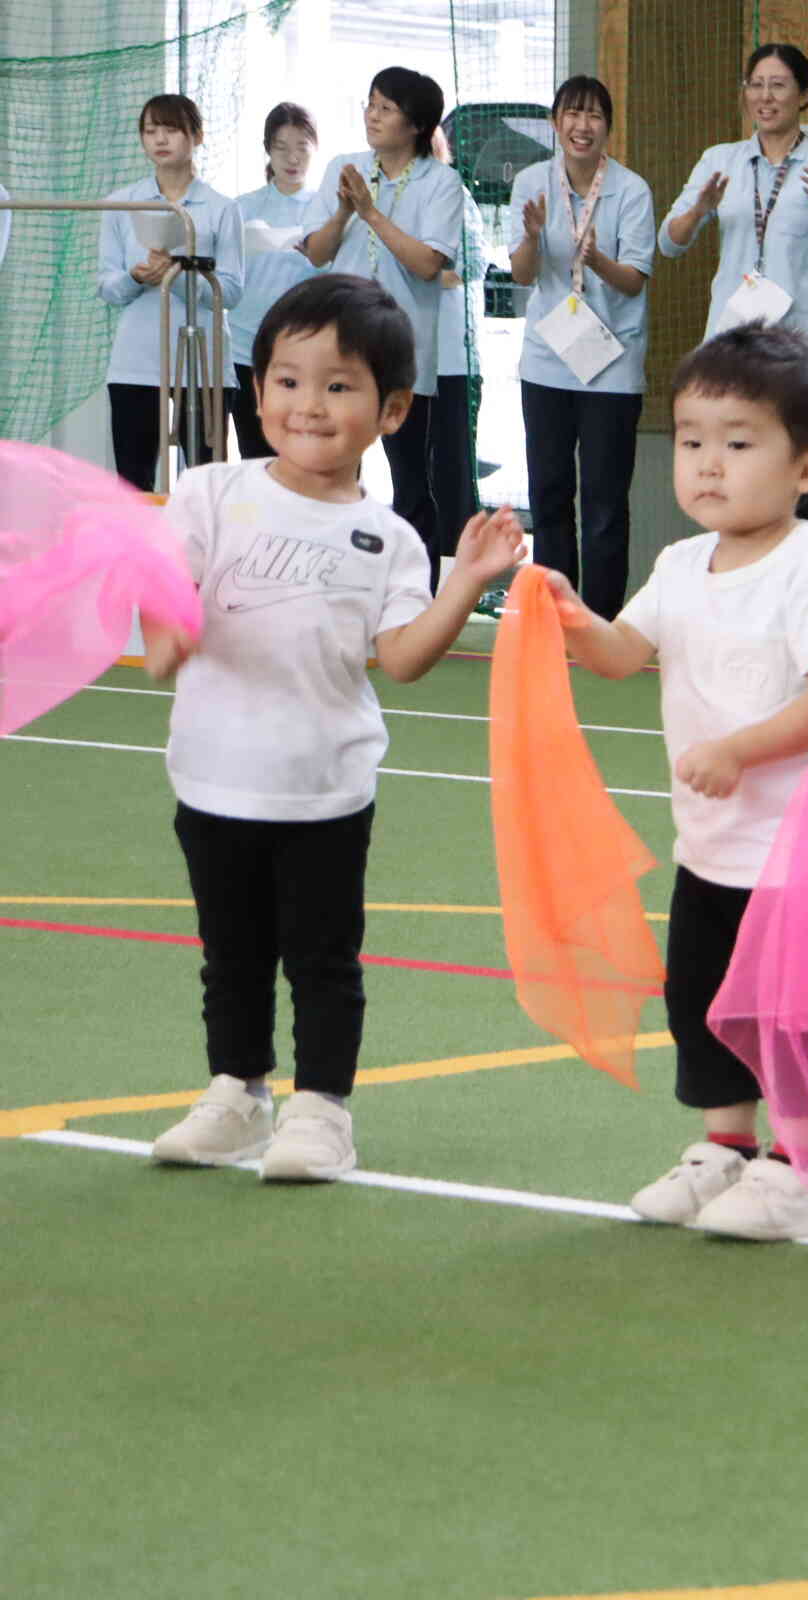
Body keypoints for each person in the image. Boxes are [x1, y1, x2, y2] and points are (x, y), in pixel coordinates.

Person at [140, 273, 528, 1181]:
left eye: (338, 385)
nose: (307, 404)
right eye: (286, 379)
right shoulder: (206, 492)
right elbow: (164, 630)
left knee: (323, 960)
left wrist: (467, 582)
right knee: (228, 958)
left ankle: (321, 1111)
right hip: (213, 777)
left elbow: (401, 658)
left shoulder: (387, 537)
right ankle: (236, 1094)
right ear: (258, 389)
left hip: (324, 788)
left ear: (391, 410)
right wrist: (161, 627)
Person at [542, 324, 808, 1238]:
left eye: (737, 443)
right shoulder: (680, 565)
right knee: (701, 1005)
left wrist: (740, 751)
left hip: (796, 857)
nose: (708, 465)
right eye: (691, 440)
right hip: (711, 850)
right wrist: (571, 616)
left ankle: (799, 1171)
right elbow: (620, 654)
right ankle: (725, 1147)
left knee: (790, 1020)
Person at [299, 67, 466, 558]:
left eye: (386, 108)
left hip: (405, 353)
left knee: (410, 477)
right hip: (342, 348)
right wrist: (345, 213)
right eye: (370, 104)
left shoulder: (442, 182)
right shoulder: (344, 167)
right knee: (334, 469)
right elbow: (315, 253)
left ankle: (416, 598)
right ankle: (333, 579)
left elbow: (428, 263)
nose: (372, 116)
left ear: (415, 125)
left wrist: (372, 213)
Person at [509, 75, 656, 620]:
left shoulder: (631, 190)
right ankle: (553, 615)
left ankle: (600, 619)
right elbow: (524, 275)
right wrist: (530, 237)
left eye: (594, 116)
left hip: (612, 364)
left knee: (603, 502)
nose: (582, 126)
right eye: (572, 114)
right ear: (555, 123)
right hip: (548, 361)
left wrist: (595, 260)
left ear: (607, 129)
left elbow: (635, 279)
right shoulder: (531, 182)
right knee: (548, 494)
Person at [657, 42, 808, 361]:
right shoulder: (720, 159)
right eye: (756, 84)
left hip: (807, 342)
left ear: (804, 96)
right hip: (734, 340)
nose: (765, 96)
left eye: (778, 85)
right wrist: (699, 209)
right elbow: (669, 245)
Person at [98, 94, 247, 492]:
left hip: (204, 363)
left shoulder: (221, 208)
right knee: (133, 485)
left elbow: (231, 292)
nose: (159, 140)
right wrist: (135, 275)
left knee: (204, 482)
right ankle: (138, 558)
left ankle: (197, 556)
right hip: (135, 363)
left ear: (196, 135)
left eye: (171, 130)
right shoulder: (121, 204)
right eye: (150, 131)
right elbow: (108, 287)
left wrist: (175, 274)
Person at [227, 103, 323, 460]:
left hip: (305, 350)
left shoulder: (325, 208)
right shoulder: (242, 207)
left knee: (302, 453)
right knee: (255, 456)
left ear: (315, 149)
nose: (292, 157)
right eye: (281, 147)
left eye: (301, 146)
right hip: (245, 349)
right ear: (267, 149)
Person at [428, 128, 488, 564]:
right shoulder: (390, 202)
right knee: (414, 475)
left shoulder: (457, 197)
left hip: (453, 360)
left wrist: (422, 269)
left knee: (454, 472)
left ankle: (459, 573)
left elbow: (471, 265)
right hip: (406, 362)